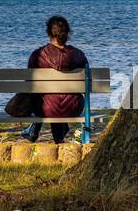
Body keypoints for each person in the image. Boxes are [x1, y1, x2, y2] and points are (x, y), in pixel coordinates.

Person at [22, 15, 89, 144]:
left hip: (45, 108)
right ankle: (61, 138)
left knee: (49, 101)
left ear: (49, 33)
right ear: (68, 33)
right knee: (57, 101)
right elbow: (88, 79)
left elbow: (29, 84)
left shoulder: (38, 55)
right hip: (74, 107)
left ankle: (34, 129)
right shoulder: (78, 55)